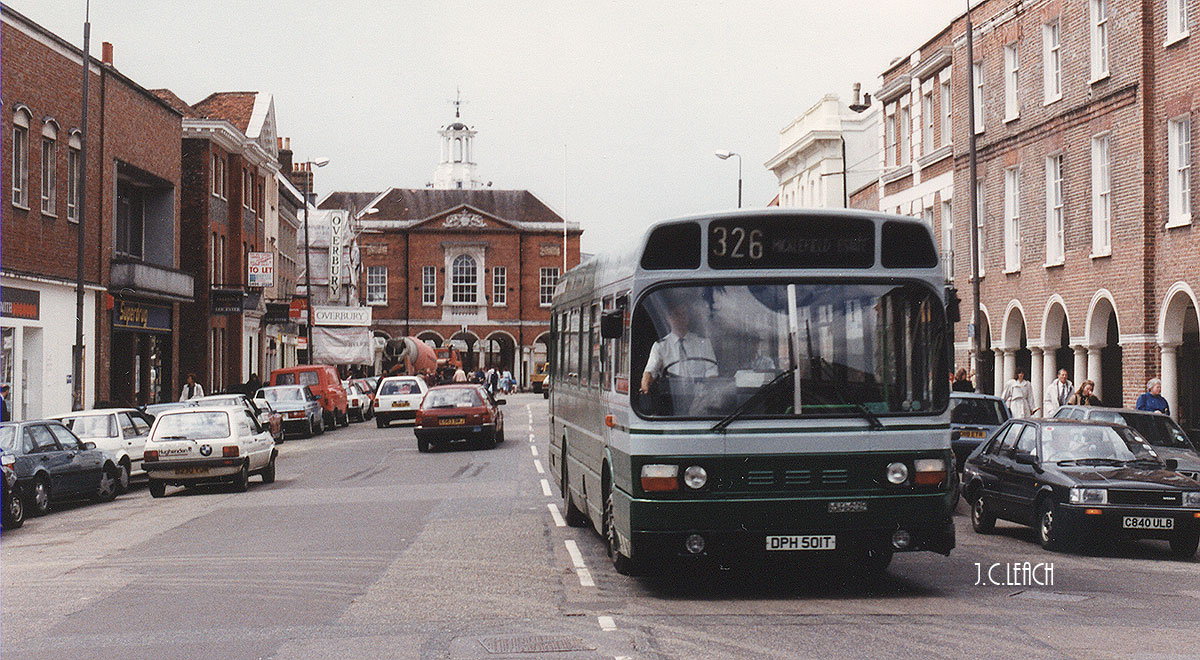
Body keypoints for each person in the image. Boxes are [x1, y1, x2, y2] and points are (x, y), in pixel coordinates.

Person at [639, 301, 717, 395]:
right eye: (675, 315)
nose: (680, 318)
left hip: (699, 396)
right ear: (668, 318)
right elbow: (650, 371)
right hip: (672, 398)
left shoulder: (703, 343)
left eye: (683, 314)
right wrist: (645, 386)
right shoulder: (660, 346)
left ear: (688, 318)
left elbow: (712, 372)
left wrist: (706, 391)